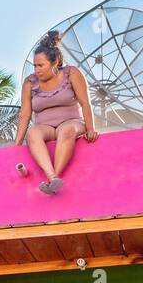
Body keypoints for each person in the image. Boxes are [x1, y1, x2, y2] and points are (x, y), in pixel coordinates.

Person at [14, 30, 98, 195]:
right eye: (35, 66)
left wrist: (91, 128)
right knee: (33, 134)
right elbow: (25, 114)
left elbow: (85, 103)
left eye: (41, 65)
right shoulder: (30, 82)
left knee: (66, 130)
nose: (37, 70)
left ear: (55, 63)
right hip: (45, 127)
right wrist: (16, 144)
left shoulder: (71, 73)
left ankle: (54, 178)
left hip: (72, 122)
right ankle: (52, 176)